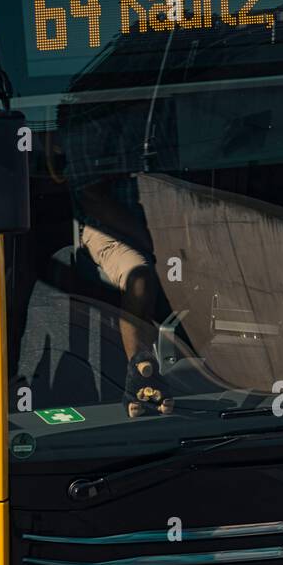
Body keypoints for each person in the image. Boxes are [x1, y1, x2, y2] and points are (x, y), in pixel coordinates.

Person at [60, 99, 174, 418]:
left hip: (168, 217)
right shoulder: (85, 123)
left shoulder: (161, 105)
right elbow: (92, 197)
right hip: (108, 227)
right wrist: (149, 240)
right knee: (139, 276)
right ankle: (140, 372)